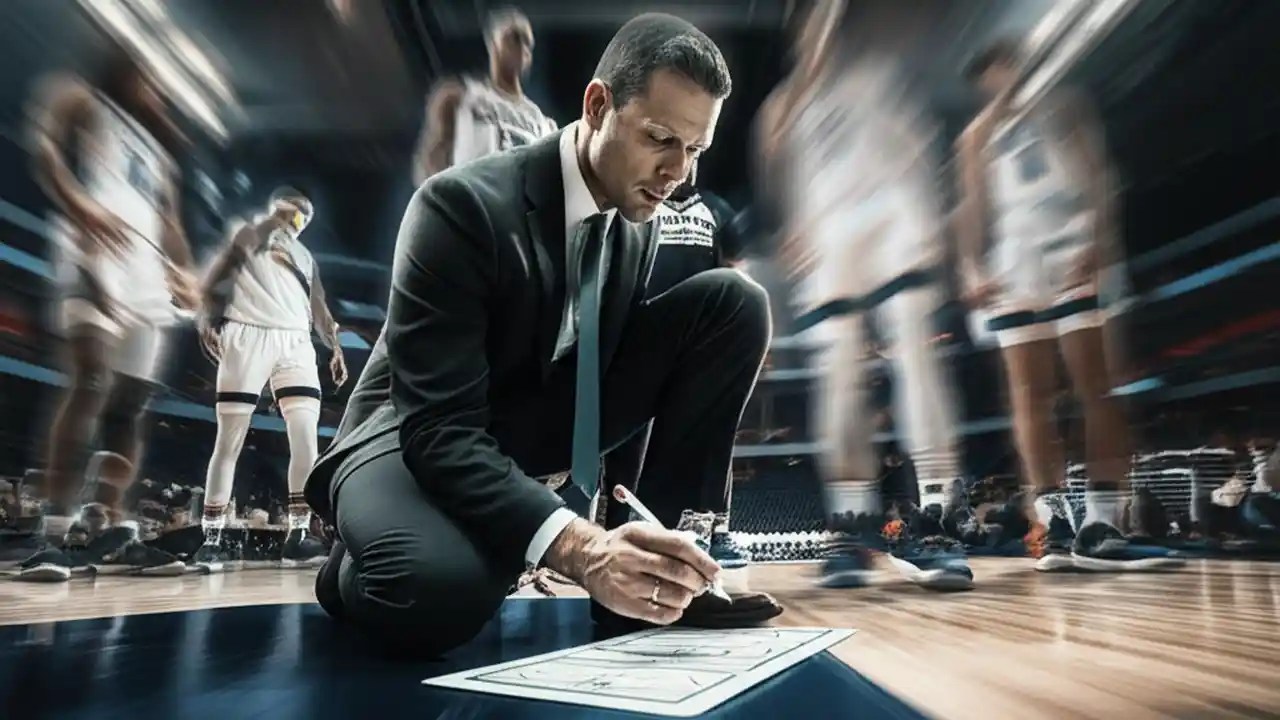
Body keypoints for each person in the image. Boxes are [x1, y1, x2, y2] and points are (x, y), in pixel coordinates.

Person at [307, 13, 777, 658]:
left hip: (526, 421)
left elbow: (611, 377)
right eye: (661, 138)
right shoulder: (458, 207)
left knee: (733, 302)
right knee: (437, 591)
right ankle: (346, 570)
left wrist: (623, 538)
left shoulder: (638, 217)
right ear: (596, 104)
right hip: (412, 432)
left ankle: (668, 585)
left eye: (695, 150)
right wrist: (579, 549)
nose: (679, 173)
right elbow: (439, 430)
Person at [754, 0, 972, 590]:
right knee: (839, 382)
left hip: (895, 226)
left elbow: (917, 150)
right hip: (831, 238)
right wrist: (793, 227)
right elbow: (778, 175)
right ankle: (851, 530)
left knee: (919, 365)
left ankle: (937, 523)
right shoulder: (783, 106)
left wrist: (933, 226)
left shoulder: (876, 77)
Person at [955, 38, 1181, 571]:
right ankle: (1054, 524)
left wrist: (1099, 241)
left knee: (1095, 387)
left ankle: (1102, 521)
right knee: (1029, 396)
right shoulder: (977, 134)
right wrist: (971, 265)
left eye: (1007, 63)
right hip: (1015, 259)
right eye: (991, 69)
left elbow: (1100, 178)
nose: (1001, 75)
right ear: (983, 80)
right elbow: (970, 207)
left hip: (1071, 242)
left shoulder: (1064, 105)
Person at [18, 46, 200, 581]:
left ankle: (108, 529)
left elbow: (171, 225)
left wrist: (185, 273)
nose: (158, 90)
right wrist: (79, 204)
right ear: (124, 70)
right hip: (92, 254)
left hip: (146, 276)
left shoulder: (161, 155)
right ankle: (50, 533)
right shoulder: (80, 96)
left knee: (128, 410)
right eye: (149, 78)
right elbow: (45, 145)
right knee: (90, 380)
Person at [596, 173, 753, 590]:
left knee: (712, 438)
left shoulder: (717, 210)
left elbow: (736, 273)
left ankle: (712, 530)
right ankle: (618, 529)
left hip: (701, 341)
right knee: (629, 443)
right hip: (643, 337)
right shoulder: (636, 201)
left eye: (696, 155)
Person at [194, 188, 346, 571]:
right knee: (230, 437)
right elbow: (218, 273)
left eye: (305, 215)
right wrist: (206, 318)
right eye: (295, 210)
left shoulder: (306, 256)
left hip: (296, 340)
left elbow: (319, 309)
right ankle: (211, 538)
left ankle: (298, 534)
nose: (300, 218)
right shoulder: (248, 230)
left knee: (306, 436)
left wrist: (336, 347)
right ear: (276, 206)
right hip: (248, 332)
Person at [412, 7, 557, 185]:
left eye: (528, 43)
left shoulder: (544, 124)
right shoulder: (458, 96)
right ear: (493, 43)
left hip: (517, 208)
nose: (523, 49)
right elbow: (431, 162)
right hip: (472, 202)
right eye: (515, 38)